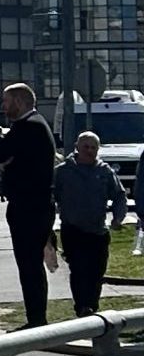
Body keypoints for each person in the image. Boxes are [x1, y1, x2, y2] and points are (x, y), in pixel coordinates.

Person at [0, 82, 60, 330]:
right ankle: (36, 316)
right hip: (34, 205)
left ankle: (36, 319)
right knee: (31, 265)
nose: (3, 107)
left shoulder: (28, 126)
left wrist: (7, 159)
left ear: (19, 101)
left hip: (29, 207)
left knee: (29, 265)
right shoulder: (35, 124)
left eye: (6, 101)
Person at [54, 131, 127, 317]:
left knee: (96, 271)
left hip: (98, 231)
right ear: (77, 147)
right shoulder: (63, 171)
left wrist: (118, 218)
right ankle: (82, 306)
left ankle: (92, 306)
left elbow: (119, 195)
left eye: (93, 148)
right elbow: (51, 195)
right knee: (78, 269)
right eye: (86, 147)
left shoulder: (104, 171)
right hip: (73, 229)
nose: (89, 151)